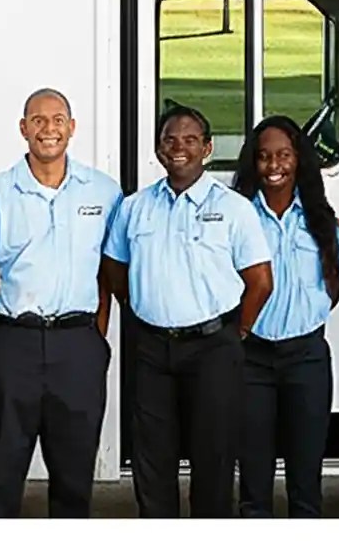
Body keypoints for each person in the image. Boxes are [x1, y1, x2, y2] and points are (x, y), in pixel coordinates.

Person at [103, 103, 273, 518]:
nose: (179, 148)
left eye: (190, 140)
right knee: (151, 457)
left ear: (208, 148)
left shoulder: (234, 209)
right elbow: (114, 270)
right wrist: (143, 307)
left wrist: (239, 332)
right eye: (170, 140)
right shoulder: (135, 207)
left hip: (214, 346)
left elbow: (260, 281)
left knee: (213, 456)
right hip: (151, 349)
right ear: (159, 149)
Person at [0, 87, 121, 518]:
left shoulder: (104, 193)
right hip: (11, 343)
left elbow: (108, 272)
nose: (47, 129)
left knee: (74, 473)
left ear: (72, 128)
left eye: (57, 120)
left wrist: (96, 337)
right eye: (37, 120)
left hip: (77, 346)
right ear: (23, 129)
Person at [230, 115, 339, 518]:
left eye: (283, 155)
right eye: (264, 157)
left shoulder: (320, 219)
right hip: (252, 361)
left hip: (307, 358)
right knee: (253, 478)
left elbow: (336, 284)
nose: (274, 165)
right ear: (253, 163)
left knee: (306, 477)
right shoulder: (239, 215)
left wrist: (304, 311)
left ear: (299, 159)